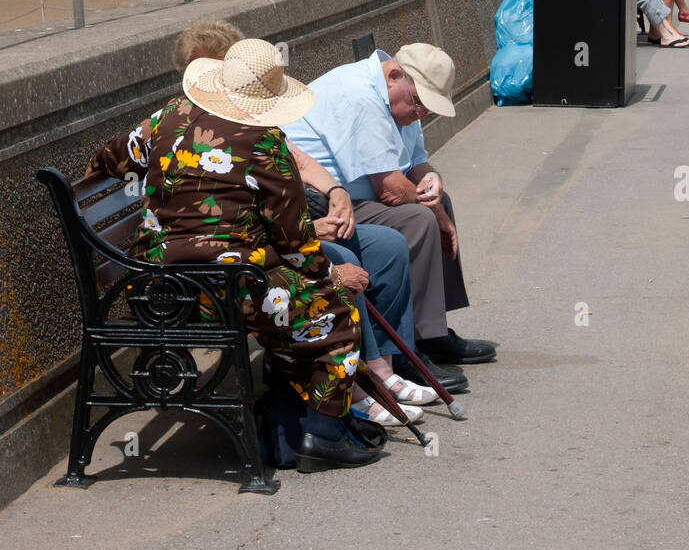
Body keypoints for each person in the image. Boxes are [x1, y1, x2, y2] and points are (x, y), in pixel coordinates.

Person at [87, 38, 382, 472]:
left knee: (292, 301)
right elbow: (296, 245)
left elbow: (111, 158)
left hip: (153, 287)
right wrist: (333, 275)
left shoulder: (167, 117)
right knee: (333, 311)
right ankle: (322, 437)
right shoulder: (265, 144)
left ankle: (286, 427)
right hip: (223, 291)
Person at [283, 43, 495, 389]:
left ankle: (433, 331)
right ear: (395, 76)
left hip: (354, 193)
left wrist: (433, 182)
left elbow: (415, 162)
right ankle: (409, 348)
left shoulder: (401, 100)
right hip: (325, 203)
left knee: (438, 203)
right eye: (420, 103)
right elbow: (390, 190)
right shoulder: (361, 96)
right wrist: (434, 207)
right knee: (418, 219)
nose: (422, 113)